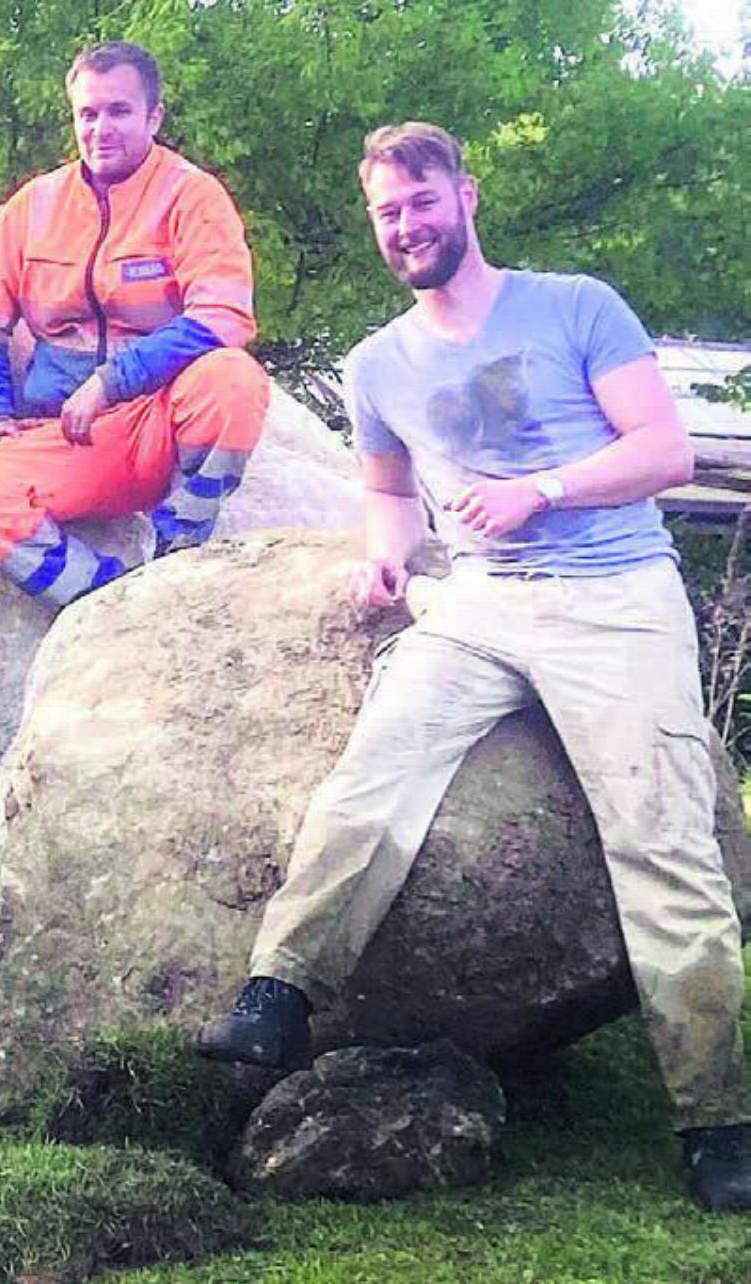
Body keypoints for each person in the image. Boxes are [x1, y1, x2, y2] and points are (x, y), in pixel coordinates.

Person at [195, 122, 751, 1211]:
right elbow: (388, 493)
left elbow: (665, 451)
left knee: (663, 844)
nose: (406, 225)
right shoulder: (376, 365)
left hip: (616, 599)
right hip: (481, 604)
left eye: (422, 201)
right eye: (387, 212)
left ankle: (718, 1118)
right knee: (371, 779)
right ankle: (279, 994)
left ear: (466, 196)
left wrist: (541, 490)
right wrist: (386, 558)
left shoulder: (576, 306)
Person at [0, 40, 270, 607]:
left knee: (234, 380)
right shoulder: (34, 205)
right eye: (87, 114)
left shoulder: (192, 196)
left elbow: (223, 316)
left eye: (119, 111)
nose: (100, 129)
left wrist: (112, 381)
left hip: (159, 422)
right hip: (67, 435)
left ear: (153, 117)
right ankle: (112, 603)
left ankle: (180, 553)